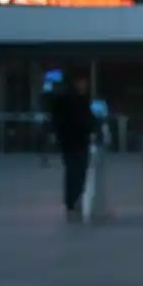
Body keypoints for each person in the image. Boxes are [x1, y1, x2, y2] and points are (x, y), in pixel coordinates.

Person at [48, 74, 95, 221]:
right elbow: (86, 120)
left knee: (75, 171)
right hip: (75, 141)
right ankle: (73, 200)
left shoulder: (72, 101)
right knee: (76, 171)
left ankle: (73, 200)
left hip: (73, 141)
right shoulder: (74, 101)